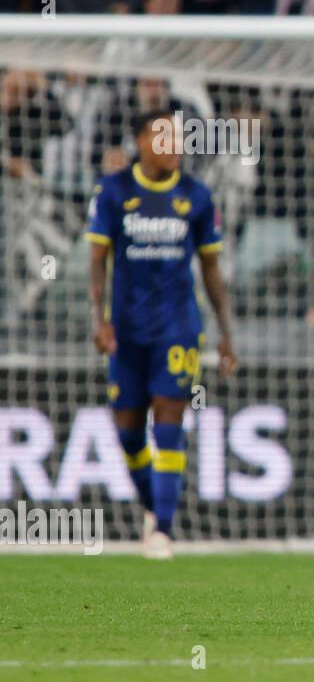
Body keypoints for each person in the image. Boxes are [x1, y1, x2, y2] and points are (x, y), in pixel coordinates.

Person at [86, 110, 238, 560]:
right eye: (164, 136)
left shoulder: (196, 196)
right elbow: (97, 260)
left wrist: (226, 332)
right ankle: (154, 508)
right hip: (128, 330)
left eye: (179, 138)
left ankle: (163, 531)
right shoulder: (114, 191)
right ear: (141, 142)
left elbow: (211, 268)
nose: (175, 145)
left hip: (179, 328)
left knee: (170, 418)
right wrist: (98, 319)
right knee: (128, 430)